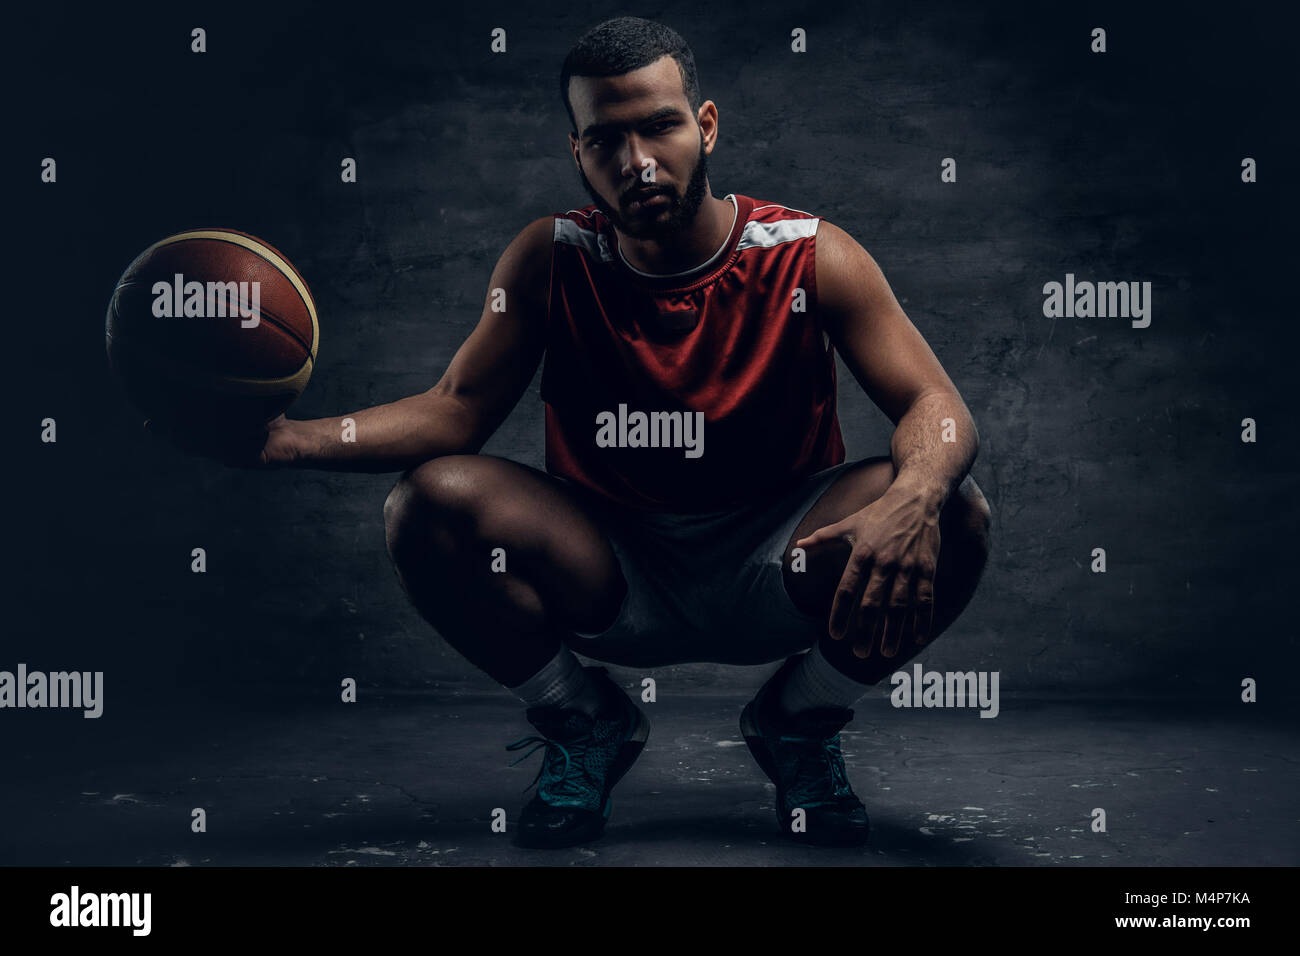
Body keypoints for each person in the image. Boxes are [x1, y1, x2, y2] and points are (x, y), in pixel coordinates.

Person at [149, 16, 992, 850]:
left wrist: (915, 495)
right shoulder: (551, 260)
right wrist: (284, 440)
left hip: (780, 561)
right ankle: (585, 719)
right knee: (429, 505)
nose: (638, 162)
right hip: (612, 563)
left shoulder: (811, 255)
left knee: (955, 512)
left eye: (660, 125)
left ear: (705, 125)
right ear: (577, 151)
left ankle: (797, 720)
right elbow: (455, 409)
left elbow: (937, 406)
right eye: (604, 140)